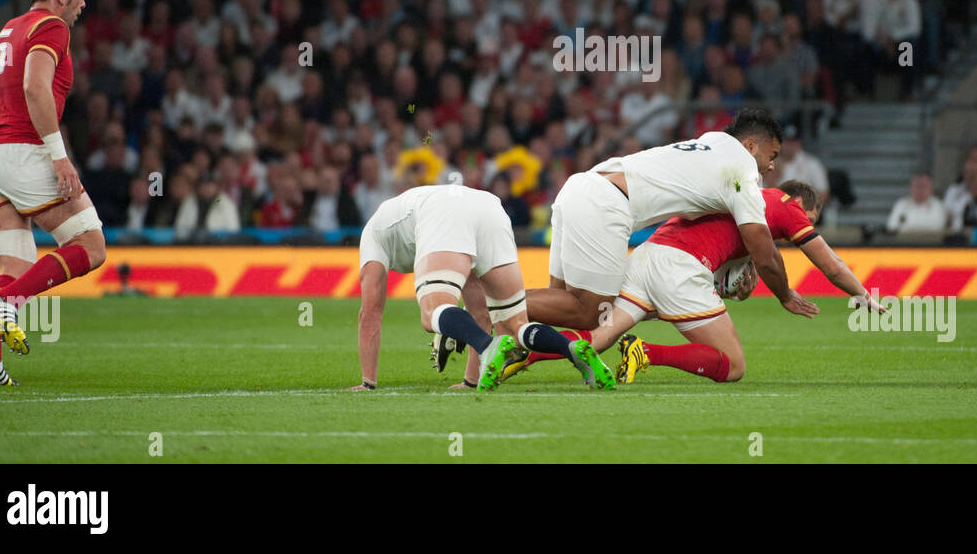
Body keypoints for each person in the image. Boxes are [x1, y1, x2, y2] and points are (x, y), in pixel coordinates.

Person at [507, 181, 880, 384]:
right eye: (807, 217)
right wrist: (862, 293)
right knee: (733, 366)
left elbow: (720, 269)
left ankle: (519, 355)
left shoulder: (741, 206)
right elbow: (829, 264)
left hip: (649, 255)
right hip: (679, 269)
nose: (801, 226)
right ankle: (646, 352)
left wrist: (730, 289)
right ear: (797, 200)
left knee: (598, 338)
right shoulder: (781, 202)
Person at [525, 109, 819, 330]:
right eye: (772, 155)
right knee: (589, 312)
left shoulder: (711, 144)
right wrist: (784, 295)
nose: (771, 166)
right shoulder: (742, 169)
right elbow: (765, 254)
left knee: (557, 300)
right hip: (605, 203)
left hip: (581, 187)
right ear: (751, 146)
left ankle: (489, 354)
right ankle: (491, 302)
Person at [0, 0, 107, 387]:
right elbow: (33, 86)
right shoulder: (52, 27)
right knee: (91, 244)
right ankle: (4, 299)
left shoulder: (9, 28)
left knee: (17, 262)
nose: (83, 3)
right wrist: (58, 155)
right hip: (22, 153)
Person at [354, 183, 614, 392]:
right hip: (488, 207)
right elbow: (479, 312)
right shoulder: (401, 217)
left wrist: (368, 381)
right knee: (512, 325)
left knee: (432, 312)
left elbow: (371, 312)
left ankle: (488, 347)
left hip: (442, 211)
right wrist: (470, 381)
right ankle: (571, 349)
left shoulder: (372, 234)